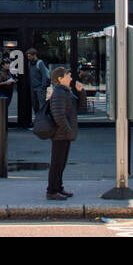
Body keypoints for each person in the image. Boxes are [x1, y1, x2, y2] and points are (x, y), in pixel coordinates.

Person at [46, 66, 85, 200]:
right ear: (60, 78)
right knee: (56, 162)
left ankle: (58, 187)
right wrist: (68, 129)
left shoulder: (66, 92)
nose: (71, 78)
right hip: (60, 134)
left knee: (61, 162)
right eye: (68, 75)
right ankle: (52, 190)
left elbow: (81, 108)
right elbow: (58, 115)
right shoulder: (59, 93)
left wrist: (81, 92)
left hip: (65, 133)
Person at [26, 49, 50, 126]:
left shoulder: (40, 63)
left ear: (34, 55)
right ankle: (38, 120)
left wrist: (43, 86)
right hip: (33, 87)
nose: (28, 58)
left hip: (39, 87)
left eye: (29, 56)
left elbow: (44, 75)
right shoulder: (29, 63)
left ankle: (43, 121)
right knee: (35, 105)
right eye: (28, 56)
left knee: (42, 105)